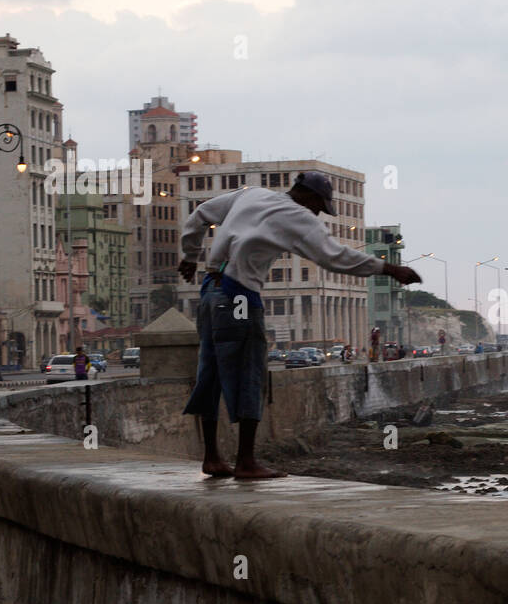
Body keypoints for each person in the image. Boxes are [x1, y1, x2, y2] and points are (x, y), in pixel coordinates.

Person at [178, 172, 421, 479]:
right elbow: (335, 257)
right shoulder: (299, 217)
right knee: (249, 371)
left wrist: (189, 255)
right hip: (239, 294)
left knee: (210, 373)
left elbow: (199, 214)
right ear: (309, 197)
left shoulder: (251, 194)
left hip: (210, 290)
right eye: (319, 206)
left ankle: (212, 457)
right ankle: (245, 461)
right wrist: (389, 268)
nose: (318, 213)